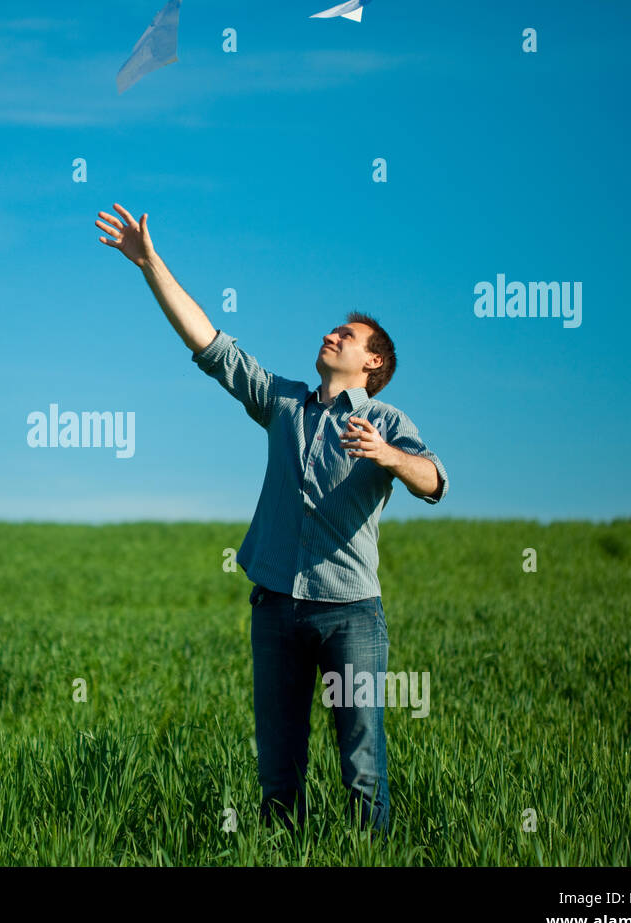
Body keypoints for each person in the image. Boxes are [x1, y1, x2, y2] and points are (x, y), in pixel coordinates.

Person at [96, 203, 450, 838]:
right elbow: (209, 343)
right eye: (333, 330)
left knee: (362, 765)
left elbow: (435, 482)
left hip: (350, 613)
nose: (332, 335)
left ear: (372, 364)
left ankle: (369, 855)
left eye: (349, 337)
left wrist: (389, 456)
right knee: (278, 772)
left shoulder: (387, 421)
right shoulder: (282, 402)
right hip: (275, 607)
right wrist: (151, 264)